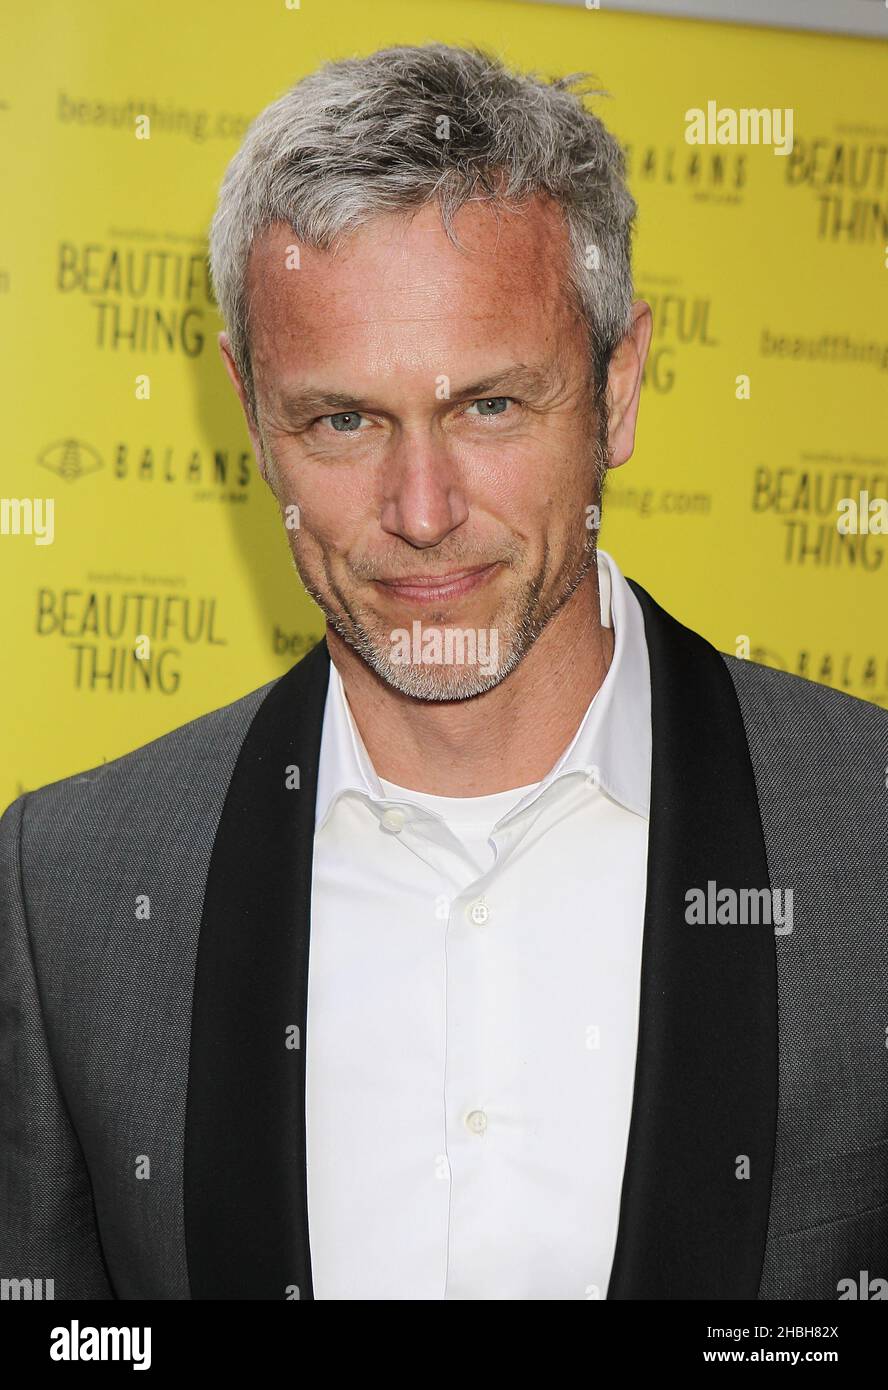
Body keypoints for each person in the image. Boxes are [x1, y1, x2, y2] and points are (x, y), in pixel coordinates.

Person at [2, 43, 885, 1302]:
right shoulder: (71, 886)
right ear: (251, 414)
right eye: (343, 419)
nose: (421, 512)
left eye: (491, 407)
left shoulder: (870, 832)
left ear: (618, 390)